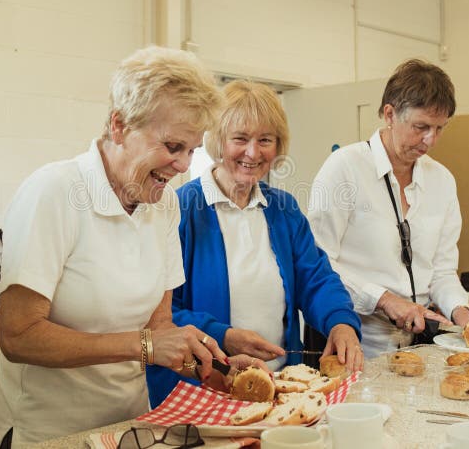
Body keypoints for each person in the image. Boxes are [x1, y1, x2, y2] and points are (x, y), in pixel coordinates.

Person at [0, 46, 236, 447]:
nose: (185, 165)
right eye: (172, 147)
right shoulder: (55, 192)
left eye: (192, 150)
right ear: (119, 126)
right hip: (47, 435)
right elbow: (18, 336)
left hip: (124, 430)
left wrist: (218, 368)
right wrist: (146, 346)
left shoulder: (164, 204)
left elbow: (159, 327)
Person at [146, 80, 363, 407]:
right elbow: (158, 313)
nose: (253, 152)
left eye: (265, 140)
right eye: (240, 139)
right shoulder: (179, 210)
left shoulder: (284, 209)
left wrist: (341, 322)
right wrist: (224, 336)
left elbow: (316, 279)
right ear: (218, 141)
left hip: (279, 386)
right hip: (202, 389)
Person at [308, 59, 469, 358]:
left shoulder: (442, 181)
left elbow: (442, 271)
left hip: (420, 347)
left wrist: (461, 312)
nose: (430, 140)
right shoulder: (344, 169)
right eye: (421, 127)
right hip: (356, 344)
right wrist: (383, 299)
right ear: (390, 113)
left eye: (439, 129)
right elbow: (319, 261)